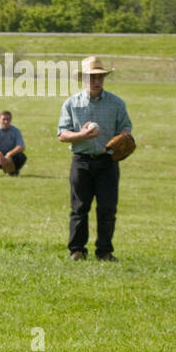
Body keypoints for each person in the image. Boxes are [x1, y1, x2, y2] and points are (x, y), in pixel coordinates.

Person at [57, 56, 133, 261]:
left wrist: (125, 136)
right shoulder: (72, 104)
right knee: (79, 208)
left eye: (100, 76)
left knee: (107, 208)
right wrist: (81, 135)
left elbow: (126, 127)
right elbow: (62, 134)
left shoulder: (116, 103)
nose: (96, 81)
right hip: (81, 161)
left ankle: (105, 251)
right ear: (84, 78)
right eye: (92, 77)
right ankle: (77, 250)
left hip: (107, 161)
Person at [0, 110, 26, 176]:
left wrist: (9, 154)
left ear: (11, 120)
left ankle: (13, 171)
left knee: (22, 157)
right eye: (3, 119)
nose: (6, 121)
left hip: (10, 157)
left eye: (8, 119)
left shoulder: (16, 131)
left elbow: (21, 146)